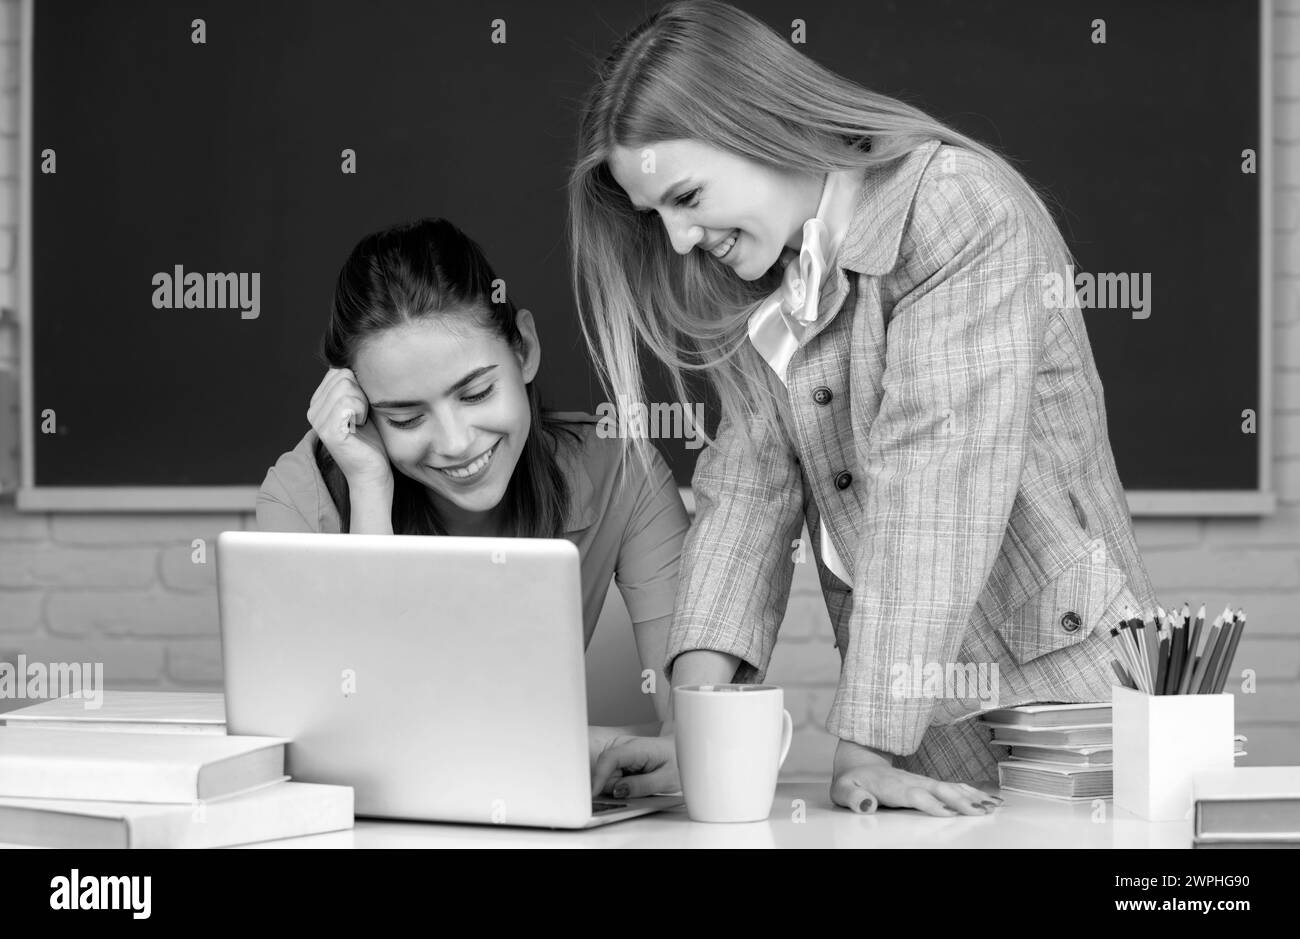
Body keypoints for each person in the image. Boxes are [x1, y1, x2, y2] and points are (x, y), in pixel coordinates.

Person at [569, 0, 1157, 816]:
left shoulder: (956, 209)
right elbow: (746, 495)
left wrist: (865, 745)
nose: (674, 240)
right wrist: (694, 724)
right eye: (654, 215)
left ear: (757, 122)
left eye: (688, 195)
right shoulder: (774, 280)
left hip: (1066, 715)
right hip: (918, 742)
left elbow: (936, 487)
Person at [255, 217, 689, 767]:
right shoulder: (298, 498)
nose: (457, 443)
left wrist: (665, 751)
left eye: (477, 392)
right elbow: (335, 742)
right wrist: (369, 490)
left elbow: (697, 712)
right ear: (363, 412)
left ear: (524, 349)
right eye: (407, 418)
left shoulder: (623, 475)